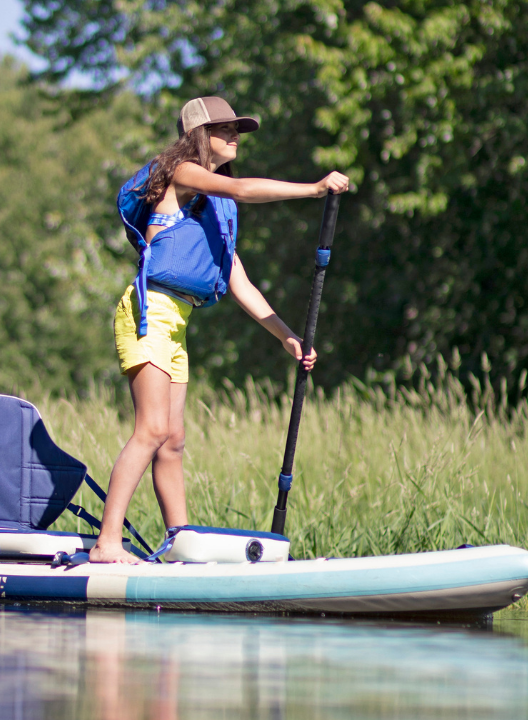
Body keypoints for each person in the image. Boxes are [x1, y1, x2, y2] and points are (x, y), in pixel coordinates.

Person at [90, 96, 350, 564]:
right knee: (150, 431)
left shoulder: (216, 214)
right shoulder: (181, 173)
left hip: (177, 323)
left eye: (237, 129)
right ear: (196, 135)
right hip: (150, 312)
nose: (234, 136)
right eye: (223, 129)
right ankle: (108, 543)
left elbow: (239, 282)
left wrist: (287, 335)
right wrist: (313, 189)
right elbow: (246, 189)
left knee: (173, 441)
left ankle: (181, 544)